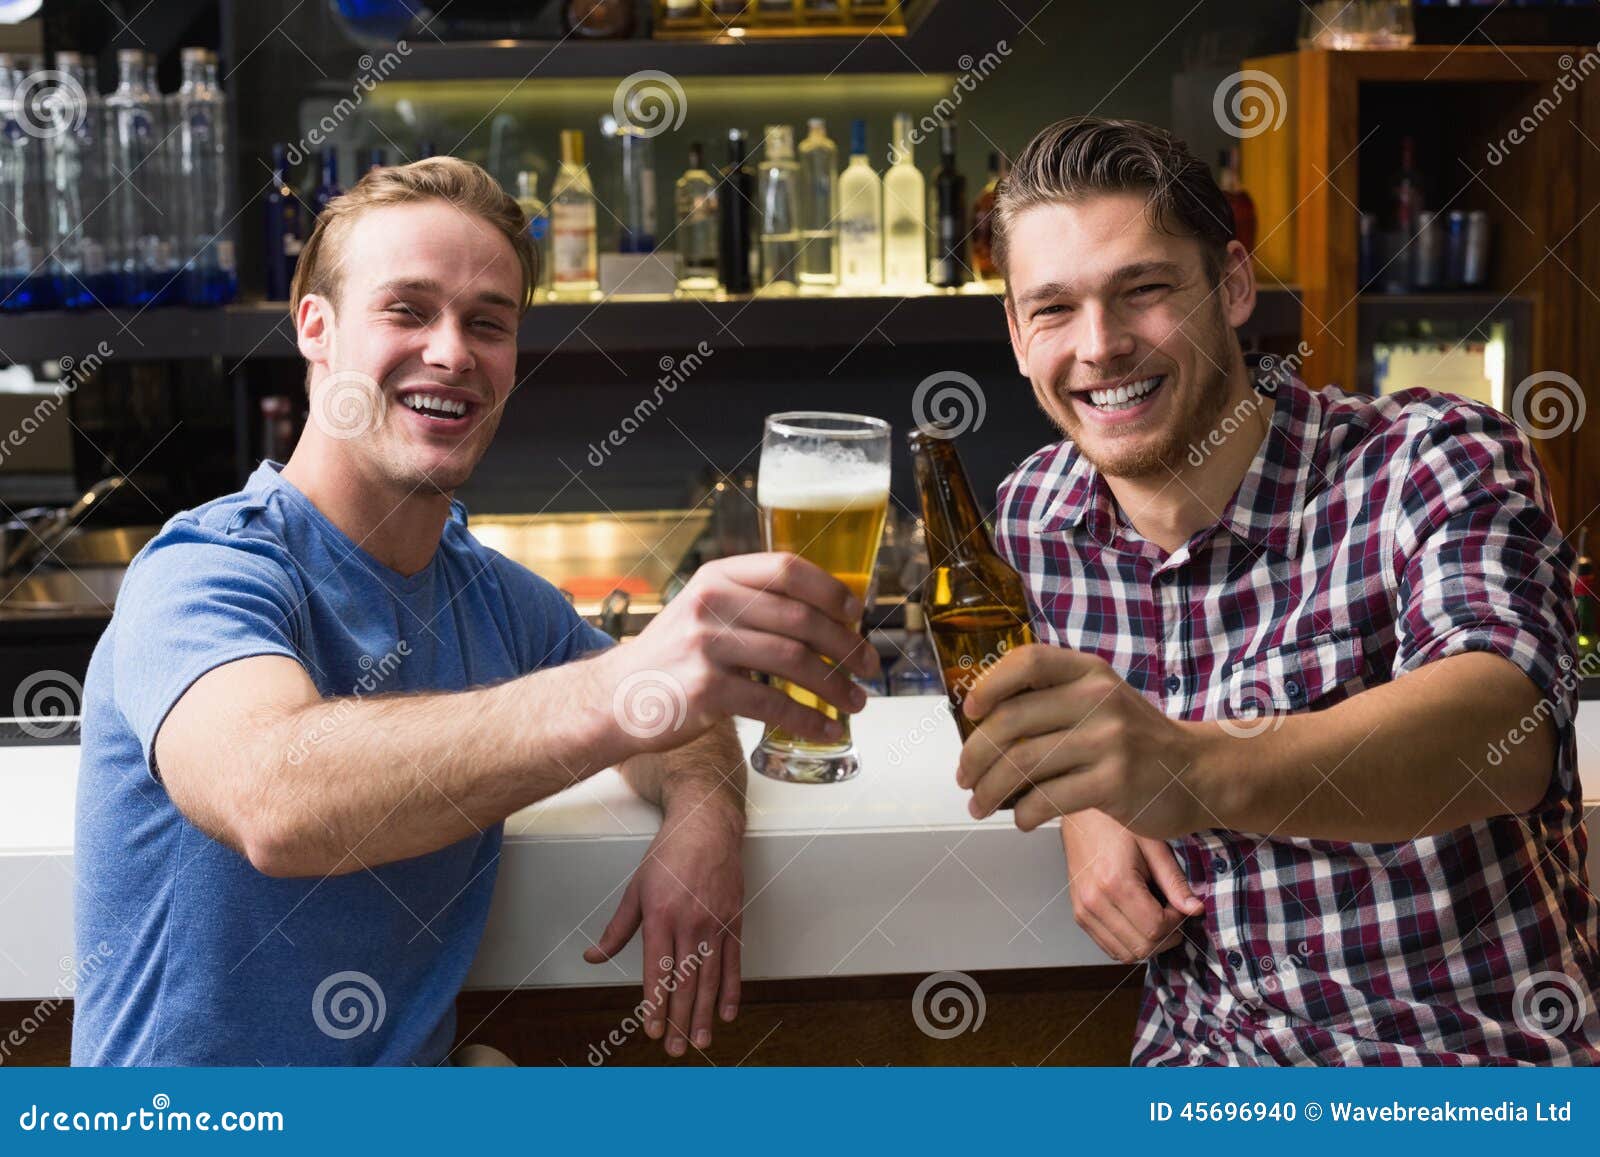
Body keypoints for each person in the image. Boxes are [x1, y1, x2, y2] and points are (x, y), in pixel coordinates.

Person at [72, 157, 879, 1066]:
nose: (451, 351)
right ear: (317, 329)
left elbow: (675, 725)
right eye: (408, 309)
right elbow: (273, 795)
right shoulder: (205, 571)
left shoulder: (489, 596)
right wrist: (620, 684)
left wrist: (703, 817)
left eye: (487, 323)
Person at [958, 116, 1600, 1064]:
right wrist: (1090, 807)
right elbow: (1018, 723)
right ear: (1017, 333)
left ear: (1233, 285)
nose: (1100, 346)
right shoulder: (1028, 522)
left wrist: (1181, 771)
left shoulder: (1431, 458)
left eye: (1143, 290)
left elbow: (1502, 730)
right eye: (1053, 309)